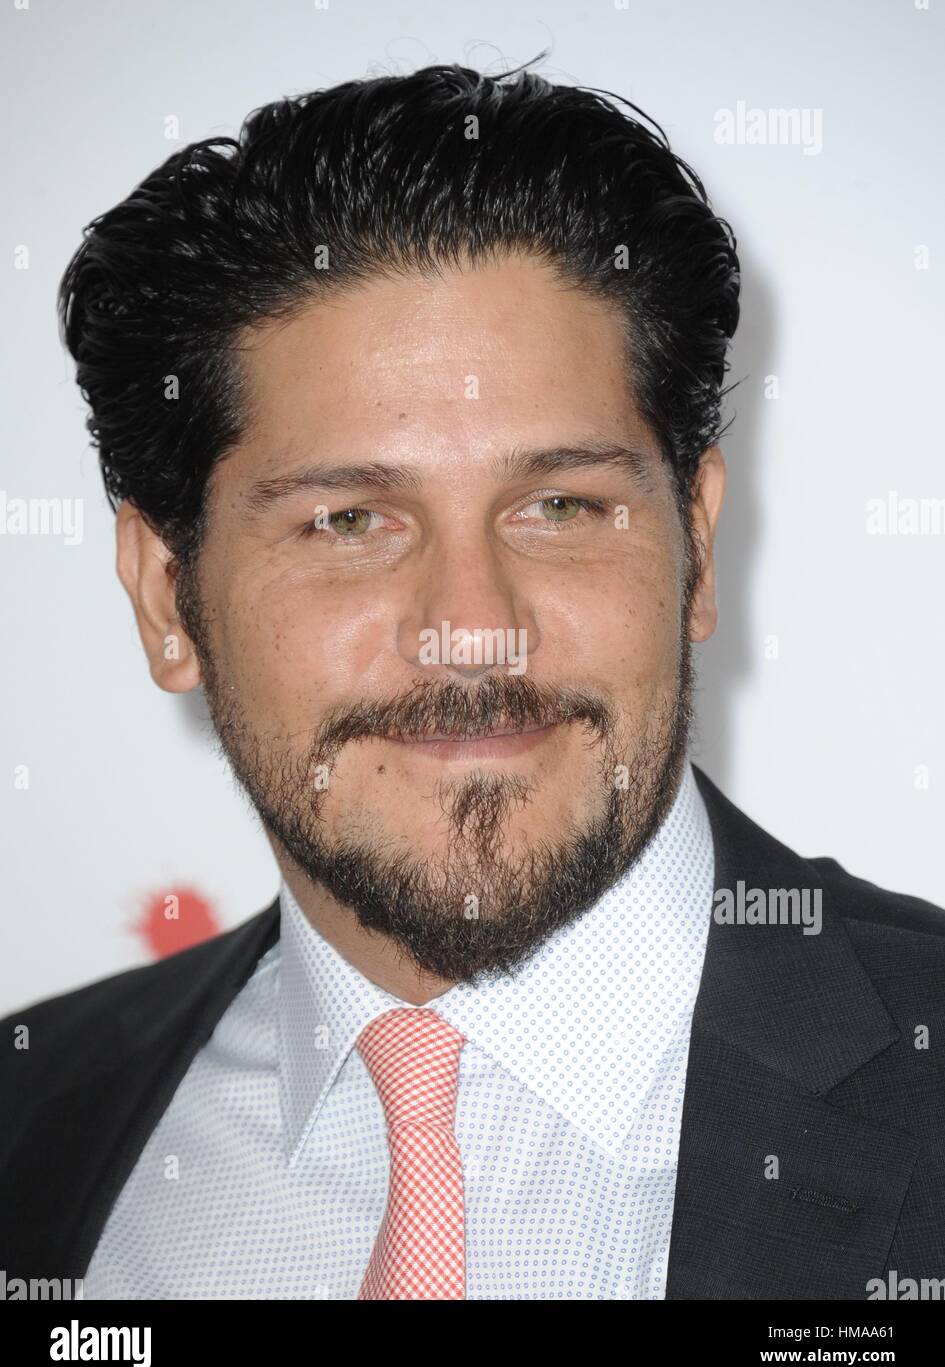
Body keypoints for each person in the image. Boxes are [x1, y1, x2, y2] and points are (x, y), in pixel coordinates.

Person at [2, 61, 942, 1301]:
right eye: (349, 522)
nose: (471, 630)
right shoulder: (30, 1118)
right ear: (166, 595)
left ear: (698, 548)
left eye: (560, 505)